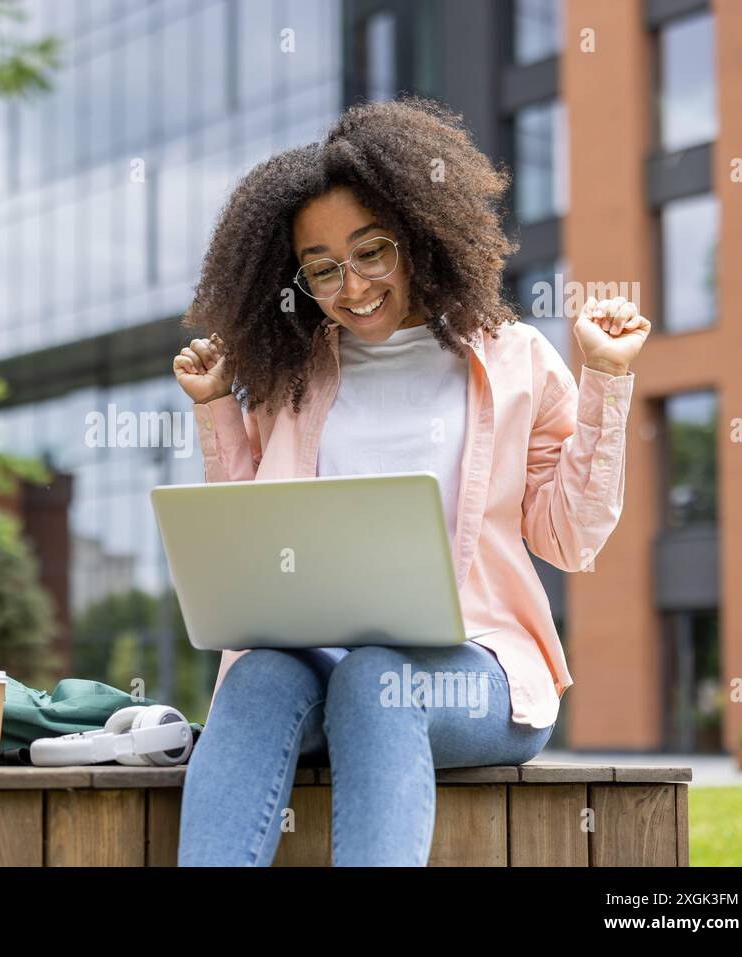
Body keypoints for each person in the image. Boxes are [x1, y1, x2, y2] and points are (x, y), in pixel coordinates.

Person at [170, 97, 651, 866]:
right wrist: (216, 409)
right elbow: (246, 545)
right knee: (257, 674)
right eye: (321, 269)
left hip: (478, 676)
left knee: (376, 676)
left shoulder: (517, 358)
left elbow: (570, 535)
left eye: (372, 252)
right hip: (320, 671)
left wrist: (606, 379)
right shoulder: (293, 378)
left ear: (420, 233)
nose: (351, 286)